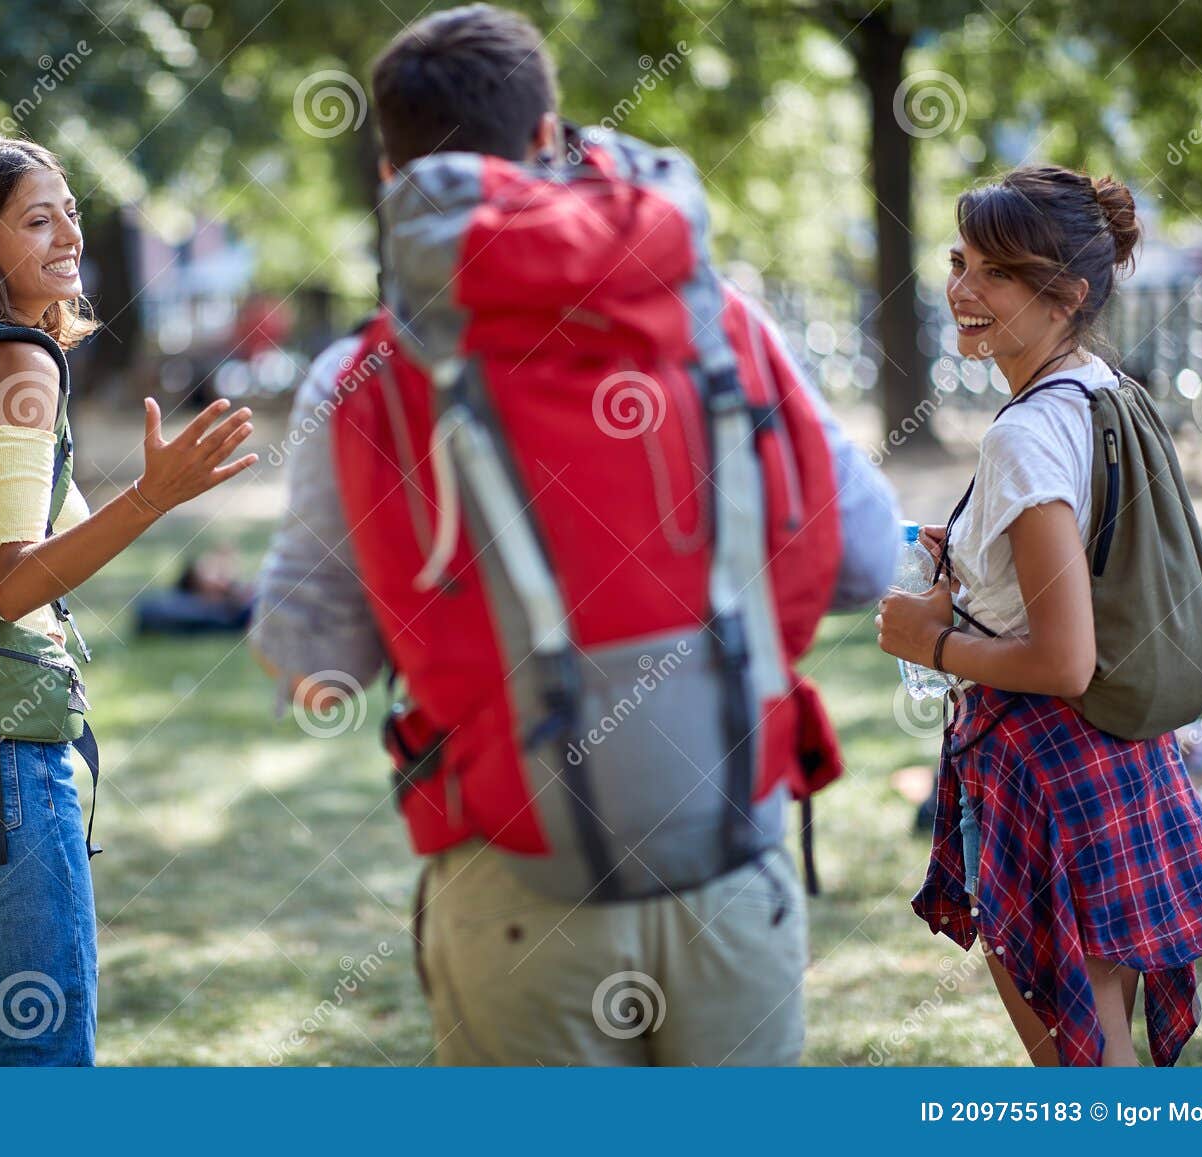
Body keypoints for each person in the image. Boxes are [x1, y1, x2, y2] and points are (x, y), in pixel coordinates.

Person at [251, 4, 900, 1065]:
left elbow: (316, 661)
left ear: (389, 173)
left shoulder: (359, 376)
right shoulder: (722, 324)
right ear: (549, 139)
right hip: (733, 846)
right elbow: (866, 559)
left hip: (512, 880)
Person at [0, 136, 257, 1065]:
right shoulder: (20, 368)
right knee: (45, 1063)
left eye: (70, 208)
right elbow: (14, 581)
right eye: (37, 219)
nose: (69, 231)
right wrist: (153, 497)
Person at [877, 165, 1202, 1066]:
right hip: (1117, 753)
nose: (963, 289)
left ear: (1065, 294)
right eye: (960, 261)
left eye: (997, 273)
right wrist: (966, 552)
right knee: (1101, 1035)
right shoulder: (1100, 388)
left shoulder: (1025, 432)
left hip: (1048, 763)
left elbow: (1064, 658)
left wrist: (934, 641)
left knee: (1076, 1068)